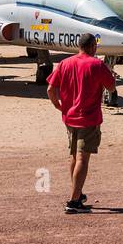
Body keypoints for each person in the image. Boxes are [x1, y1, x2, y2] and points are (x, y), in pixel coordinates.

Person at [47, 33, 116, 214]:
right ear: (93, 46)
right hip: (89, 118)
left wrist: (59, 106)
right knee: (83, 159)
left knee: (74, 157)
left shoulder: (65, 63)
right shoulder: (97, 65)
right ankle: (74, 201)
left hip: (69, 117)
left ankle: (77, 193)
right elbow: (111, 87)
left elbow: (50, 89)